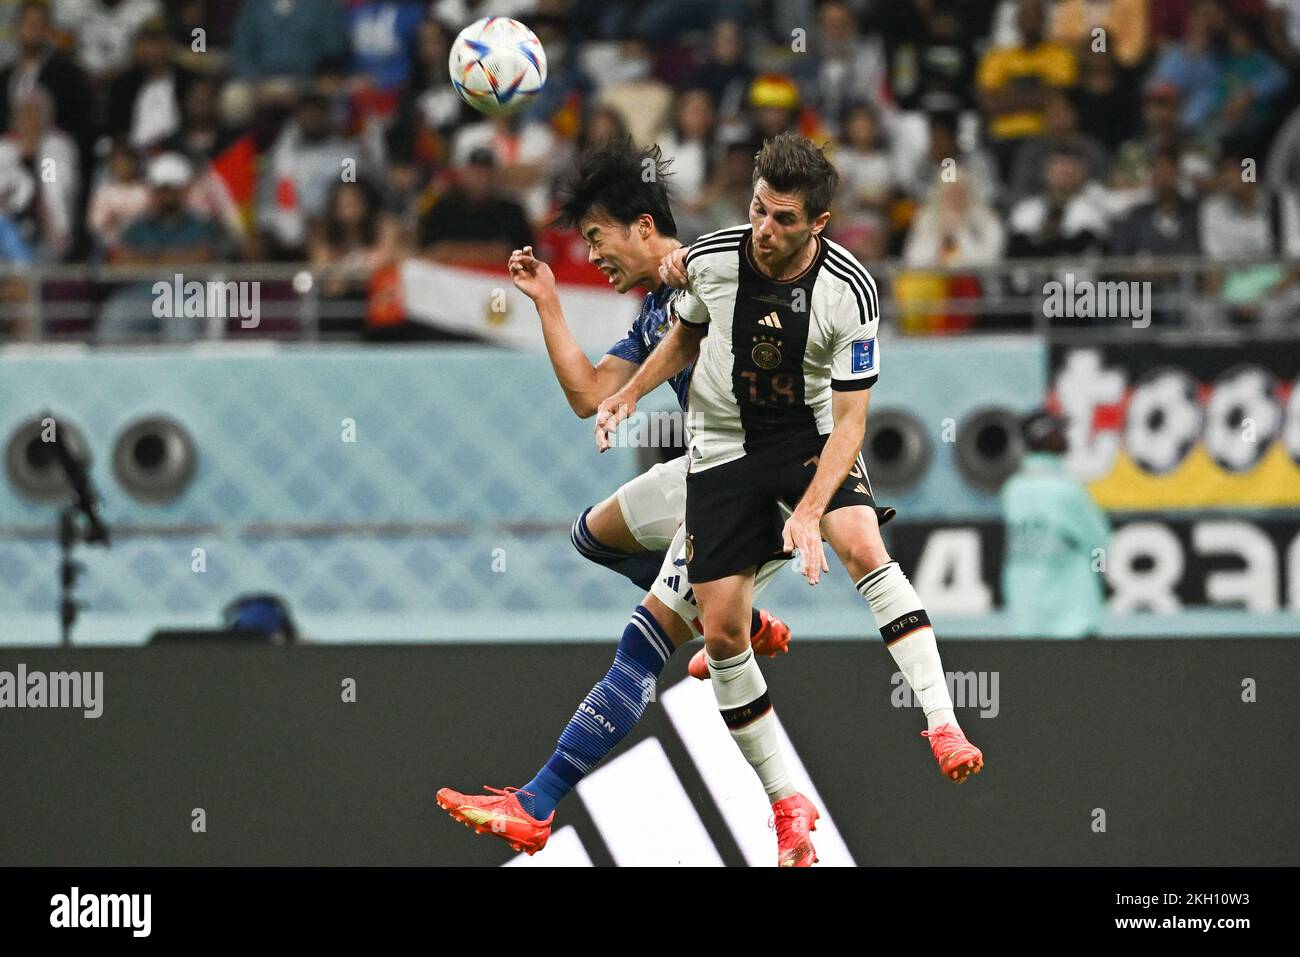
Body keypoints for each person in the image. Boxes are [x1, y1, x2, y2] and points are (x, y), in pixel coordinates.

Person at [597, 132, 984, 861]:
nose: (764, 231)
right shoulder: (714, 258)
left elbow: (852, 423)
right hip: (724, 447)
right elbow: (685, 337)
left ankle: (941, 720)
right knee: (719, 634)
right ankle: (786, 803)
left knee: (865, 543)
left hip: (807, 436)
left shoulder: (852, 292)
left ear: (818, 225)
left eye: (781, 220)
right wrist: (628, 394)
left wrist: (808, 512)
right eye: (758, 210)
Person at [435, 140, 817, 866]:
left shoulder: (718, 269)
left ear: (645, 227)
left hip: (758, 482)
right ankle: (729, 617)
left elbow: (777, 266)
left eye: (597, 238)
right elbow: (589, 394)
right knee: (594, 532)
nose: (595, 256)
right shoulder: (652, 316)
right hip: (711, 469)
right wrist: (547, 302)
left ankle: (538, 801)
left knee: (644, 642)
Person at [1001, 410, 1109, 639]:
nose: (1067, 437)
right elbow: (1099, 540)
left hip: (1026, 617)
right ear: (1045, 436)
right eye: (1060, 431)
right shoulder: (1065, 489)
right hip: (1073, 616)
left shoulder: (1013, 488)